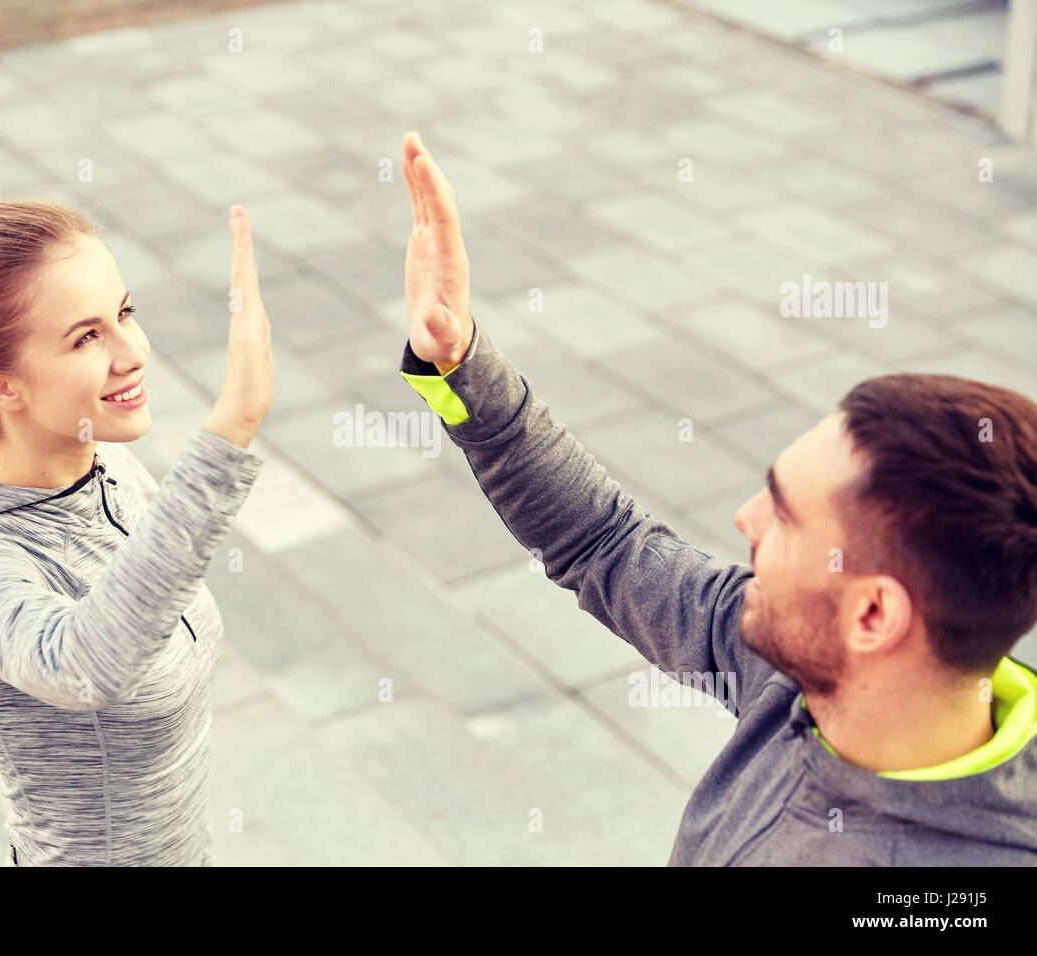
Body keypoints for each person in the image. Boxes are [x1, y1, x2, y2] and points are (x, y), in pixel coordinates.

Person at [395, 130, 1037, 864]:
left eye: (784, 514)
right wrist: (459, 365)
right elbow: (605, 544)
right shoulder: (803, 672)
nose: (745, 520)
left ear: (872, 613)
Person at [0, 200, 274, 865]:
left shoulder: (113, 470)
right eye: (86, 337)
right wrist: (229, 431)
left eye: (124, 313)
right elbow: (84, 665)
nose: (135, 352)